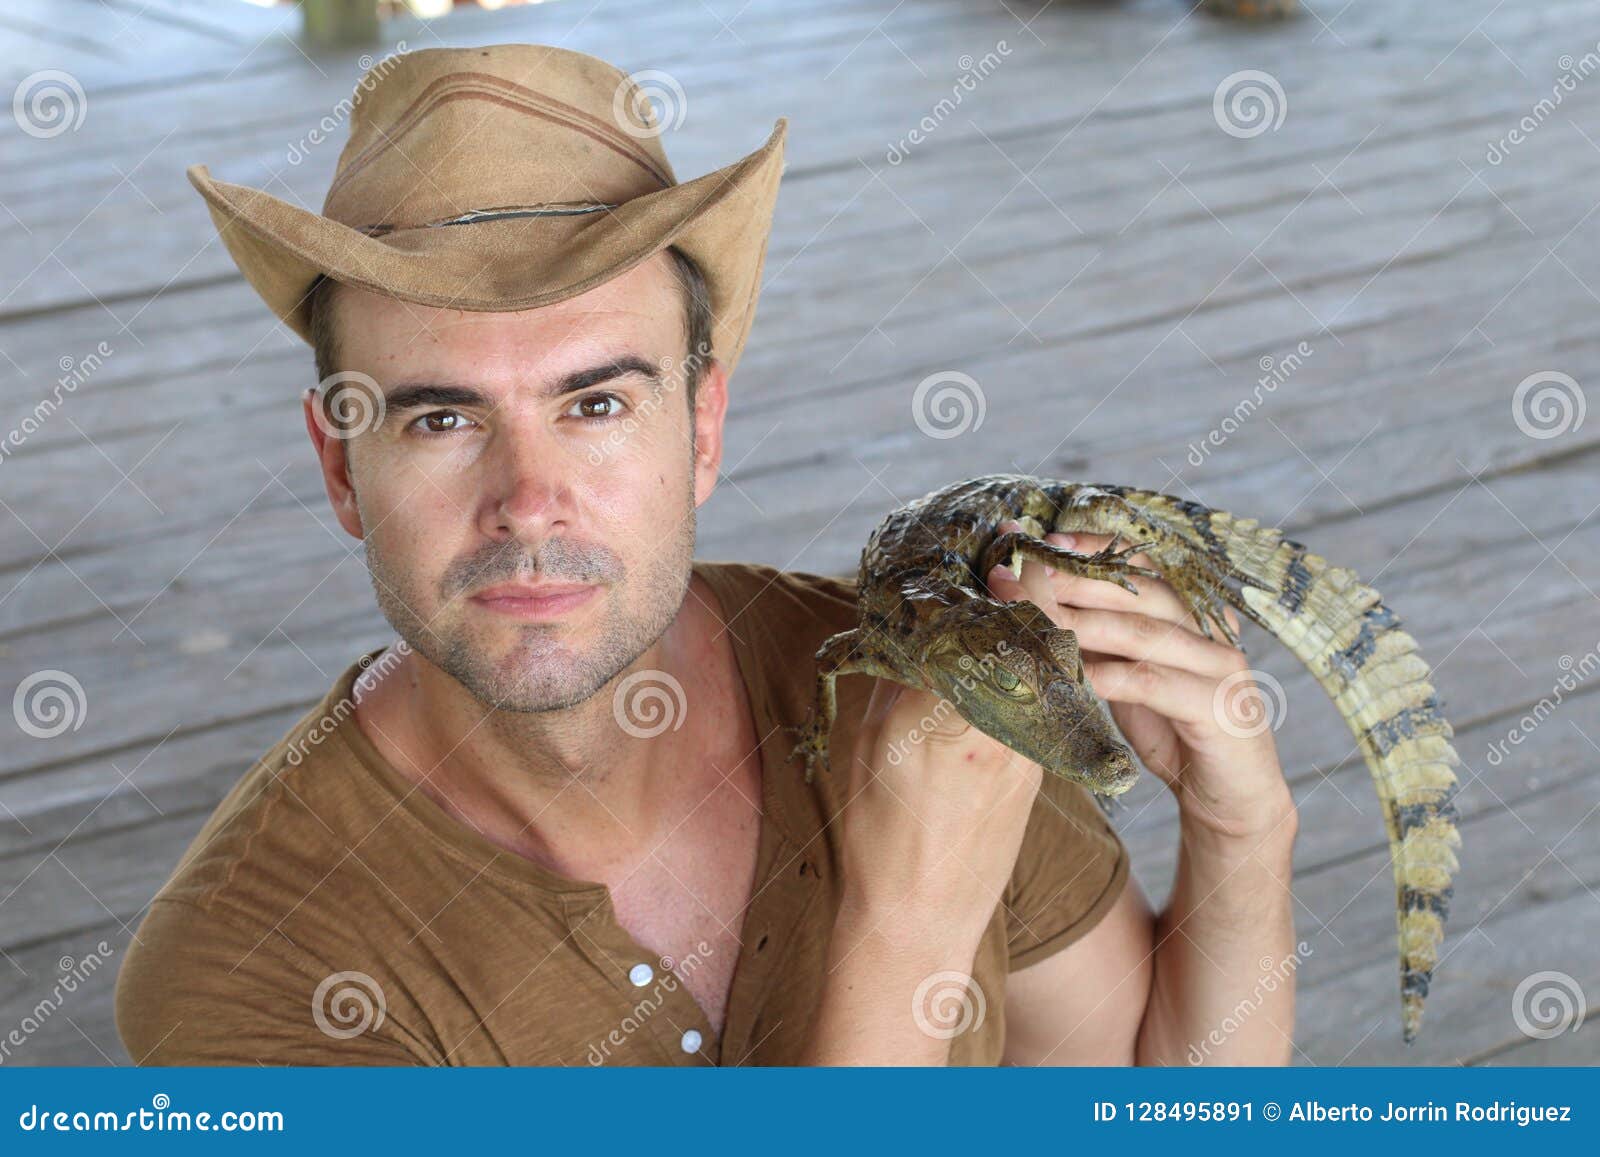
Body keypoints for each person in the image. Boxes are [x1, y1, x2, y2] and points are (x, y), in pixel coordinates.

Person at [114, 43, 1298, 1067]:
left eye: (596, 405)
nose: (528, 501)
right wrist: (907, 925)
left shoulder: (921, 681)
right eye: (442, 418)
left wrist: (1243, 835)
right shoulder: (247, 967)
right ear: (339, 468)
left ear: (703, 427)